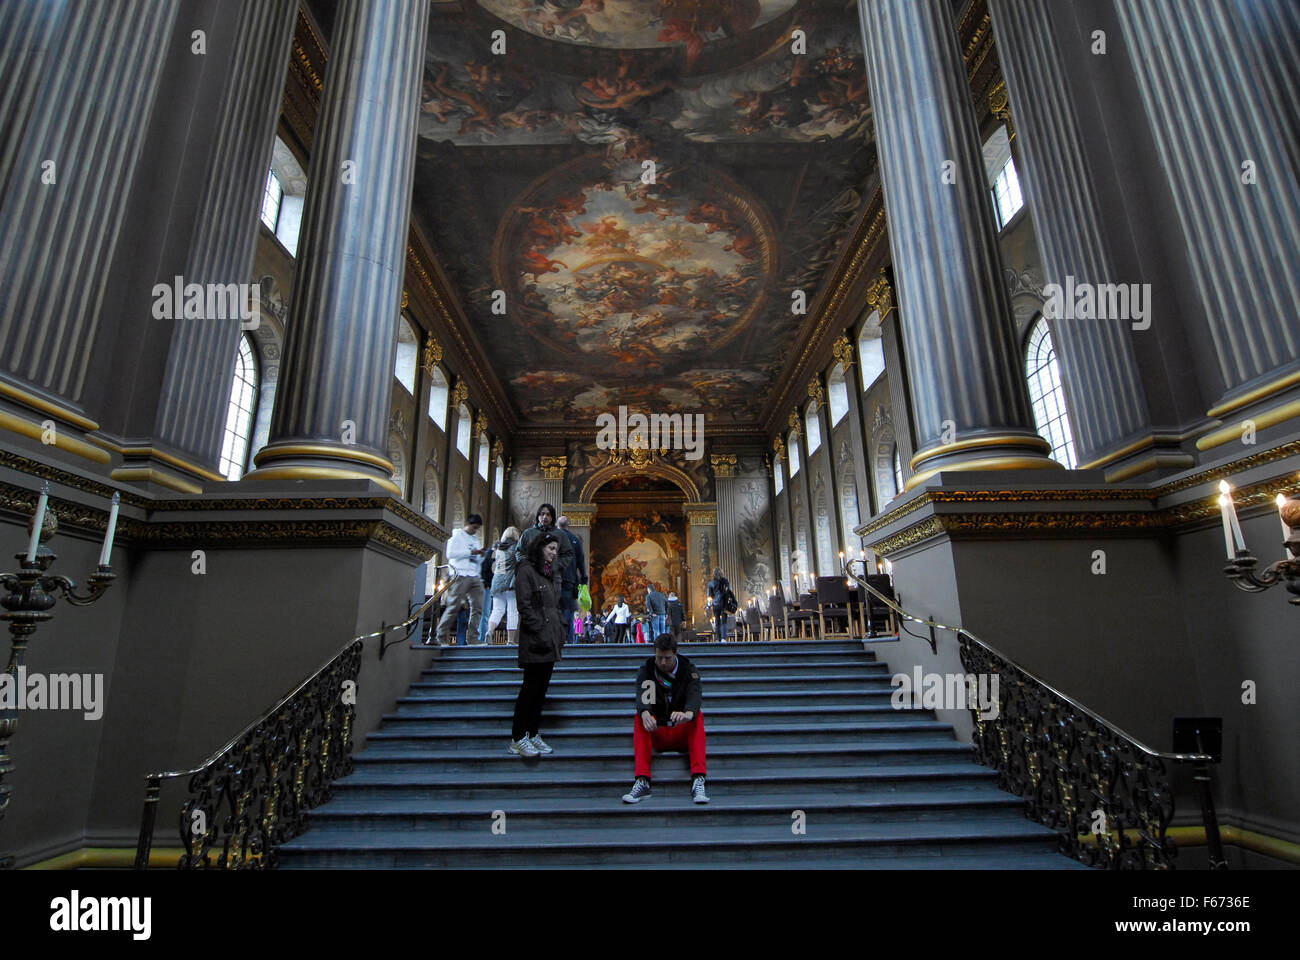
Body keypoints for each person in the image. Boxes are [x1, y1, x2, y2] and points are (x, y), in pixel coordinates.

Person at [622, 634, 708, 804]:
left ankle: (699, 778)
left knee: (697, 716)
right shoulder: (648, 670)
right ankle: (643, 780)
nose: (662, 662)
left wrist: (688, 713)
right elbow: (643, 695)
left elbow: (695, 694)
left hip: (681, 729)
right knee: (640, 718)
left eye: (667, 658)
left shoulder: (688, 670)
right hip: (658, 731)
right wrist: (645, 712)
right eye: (659, 657)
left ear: (675, 654)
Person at [509, 532, 565, 757]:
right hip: (535, 639)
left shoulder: (547, 573)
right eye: (551, 548)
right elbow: (524, 605)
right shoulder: (525, 570)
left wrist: (559, 629)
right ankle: (517, 738)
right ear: (540, 547)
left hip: (549, 638)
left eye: (555, 550)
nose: (554, 553)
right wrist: (541, 631)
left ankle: (532, 733)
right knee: (529, 690)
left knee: (541, 690)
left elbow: (553, 607)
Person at [436, 514, 485, 646]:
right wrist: (471, 552)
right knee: (454, 606)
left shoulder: (475, 539)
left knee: (478, 607)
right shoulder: (456, 535)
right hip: (460, 574)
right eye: (474, 527)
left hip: (474, 575)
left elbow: (476, 558)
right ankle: (440, 635)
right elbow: (450, 554)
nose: (475, 531)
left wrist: (481, 555)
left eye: (477, 529)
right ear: (468, 523)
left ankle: (473, 637)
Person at [556, 515, 588, 646]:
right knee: (568, 611)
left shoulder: (552, 537)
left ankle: (555, 638)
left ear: (557, 525)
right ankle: (568, 640)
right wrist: (584, 579)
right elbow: (581, 561)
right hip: (569, 579)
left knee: (553, 608)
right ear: (568, 525)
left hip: (553, 578)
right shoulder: (575, 539)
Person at [487, 526, 521, 645]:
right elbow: (520, 561)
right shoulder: (516, 547)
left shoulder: (498, 549)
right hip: (510, 583)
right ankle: (510, 640)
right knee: (512, 610)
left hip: (497, 582)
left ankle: (490, 631)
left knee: (497, 609)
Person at [476, 538, 496, 644]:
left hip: (490, 587)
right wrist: (487, 584)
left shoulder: (492, 555)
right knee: (485, 613)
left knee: (488, 612)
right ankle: (482, 637)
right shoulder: (490, 555)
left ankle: (484, 636)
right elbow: (485, 571)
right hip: (486, 587)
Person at [706, 567, 735, 642]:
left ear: (713, 574)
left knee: (717, 621)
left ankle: (718, 639)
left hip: (715, 604)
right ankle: (723, 638)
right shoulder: (726, 582)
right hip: (724, 604)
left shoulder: (711, 583)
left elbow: (709, 595)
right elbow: (730, 592)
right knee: (724, 621)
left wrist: (709, 605)